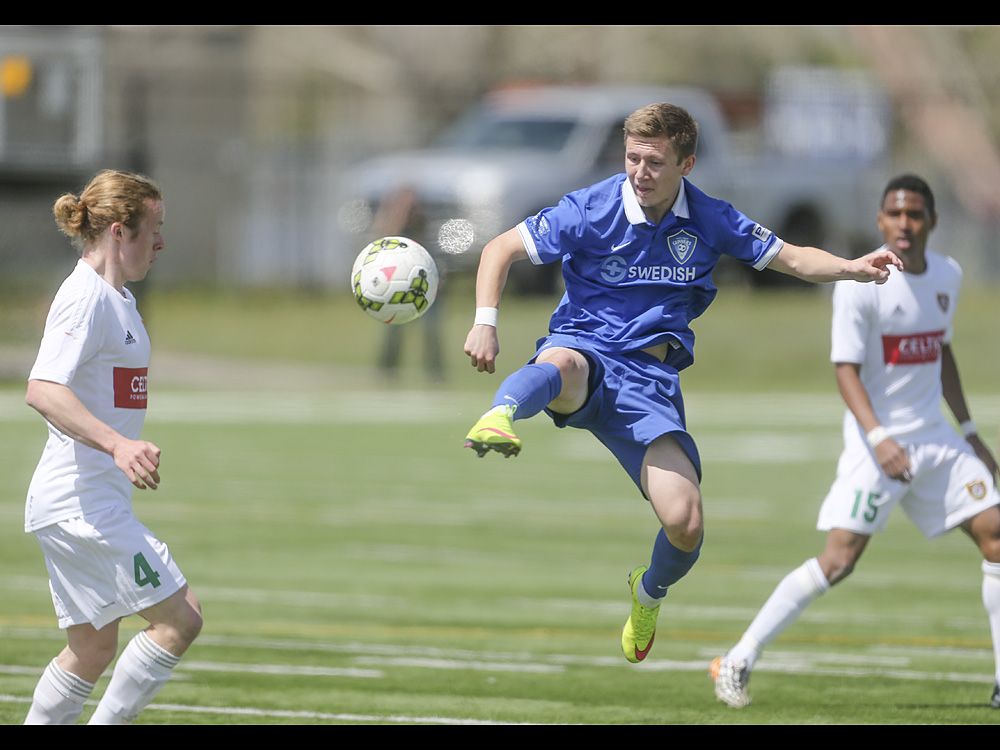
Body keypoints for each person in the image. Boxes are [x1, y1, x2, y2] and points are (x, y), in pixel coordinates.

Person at [461, 102, 903, 667]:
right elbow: (500, 248)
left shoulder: (712, 219)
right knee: (566, 364)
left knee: (686, 521)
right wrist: (485, 321)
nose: (639, 173)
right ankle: (499, 414)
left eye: (654, 162)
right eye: (632, 159)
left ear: (686, 164)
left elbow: (790, 258)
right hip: (587, 350)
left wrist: (853, 266)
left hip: (648, 382)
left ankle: (647, 594)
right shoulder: (591, 208)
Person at [710, 174, 1000, 709]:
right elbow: (845, 370)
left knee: (997, 536)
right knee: (838, 561)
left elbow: (942, 352)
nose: (905, 224)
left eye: (915, 214)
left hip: (936, 440)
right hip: (877, 445)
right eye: (895, 214)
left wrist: (970, 432)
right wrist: (880, 437)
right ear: (880, 221)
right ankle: (738, 657)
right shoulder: (860, 283)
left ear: (932, 221)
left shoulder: (948, 275)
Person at [22, 169, 203, 724]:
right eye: (155, 229)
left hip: (83, 503)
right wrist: (118, 445)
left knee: (92, 649)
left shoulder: (116, 298)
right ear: (120, 231)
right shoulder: (85, 298)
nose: (163, 242)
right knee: (181, 618)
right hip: (81, 505)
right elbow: (42, 388)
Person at [371, 186, 446, 383]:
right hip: (398, 291)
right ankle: (387, 370)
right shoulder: (396, 229)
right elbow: (383, 238)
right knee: (394, 331)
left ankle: (435, 372)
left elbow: (435, 254)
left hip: (424, 288)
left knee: (431, 331)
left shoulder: (424, 223)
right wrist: (397, 214)